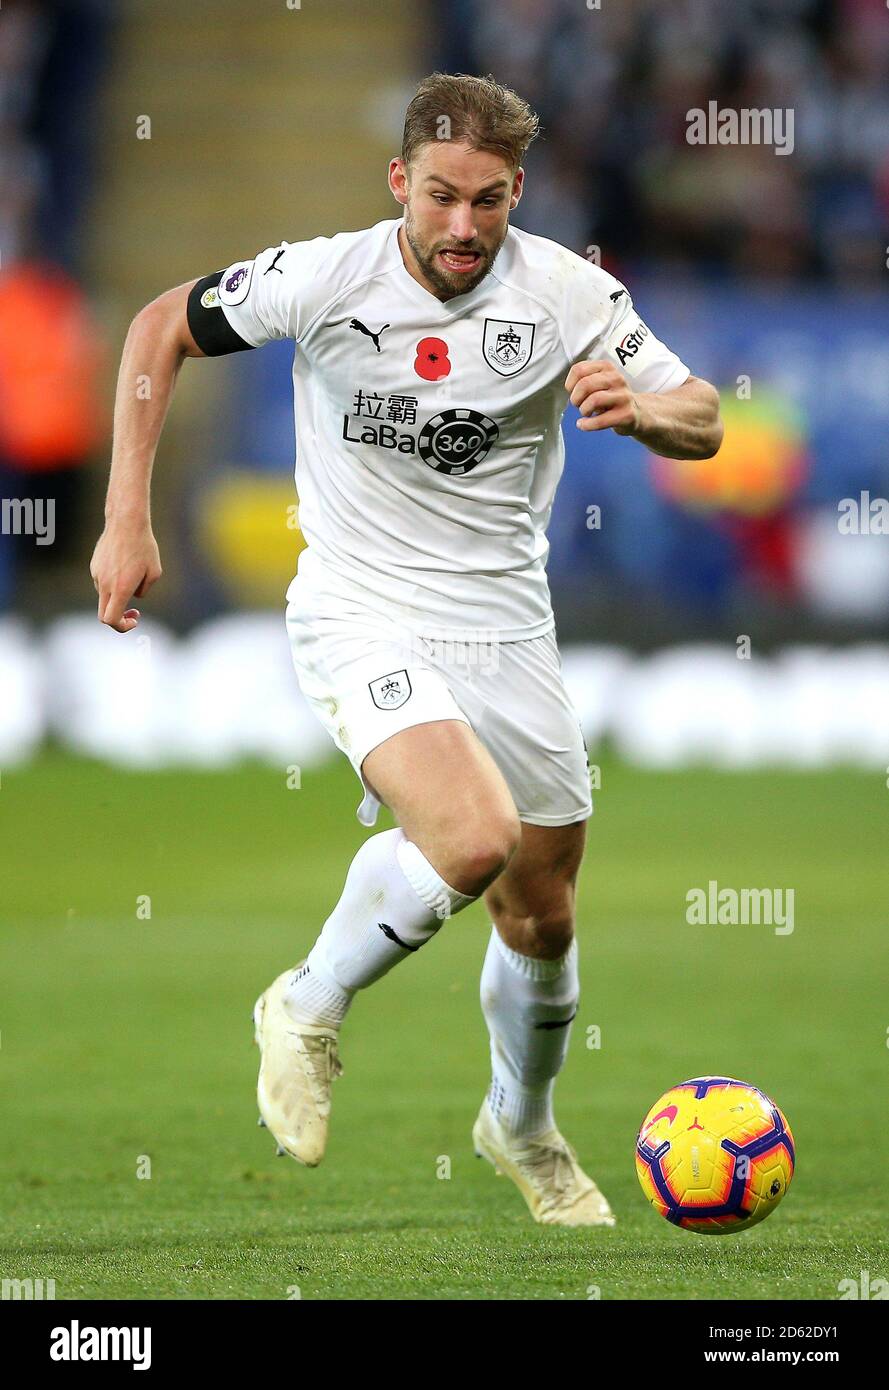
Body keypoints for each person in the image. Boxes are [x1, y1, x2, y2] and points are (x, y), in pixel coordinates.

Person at [90, 72, 722, 1227]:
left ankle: (520, 1127)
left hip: (504, 626)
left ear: (517, 192)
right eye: (440, 198)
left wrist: (640, 414)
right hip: (357, 604)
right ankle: (307, 1002)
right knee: (470, 838)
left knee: (544, 911)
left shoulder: (573, 294)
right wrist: (126, 511)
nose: (463, 227)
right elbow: (156, 329)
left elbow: (705, 415)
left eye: (487, 202)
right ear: (400, 183)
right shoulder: (324, 276)